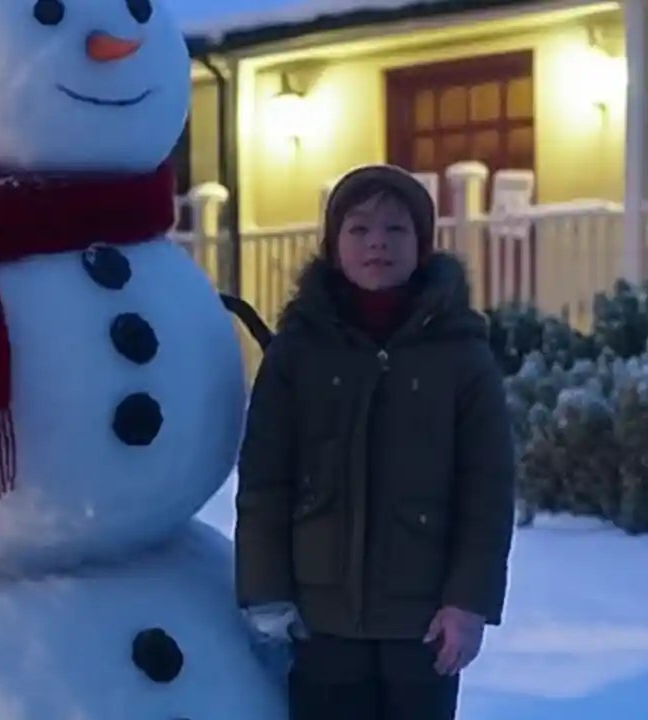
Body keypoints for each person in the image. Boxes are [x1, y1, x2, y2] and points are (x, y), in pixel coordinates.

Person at [234, 164, 516, 720]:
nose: (377, 244)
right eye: (359, 229)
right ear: (334, 245)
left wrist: (468, 601)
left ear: (423, 244)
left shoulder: (461, 354)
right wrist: (265, 590)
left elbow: (487, 488)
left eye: (396, 229)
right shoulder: (298, 351)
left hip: (426, 622)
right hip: (319, 619)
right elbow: (265, 479)